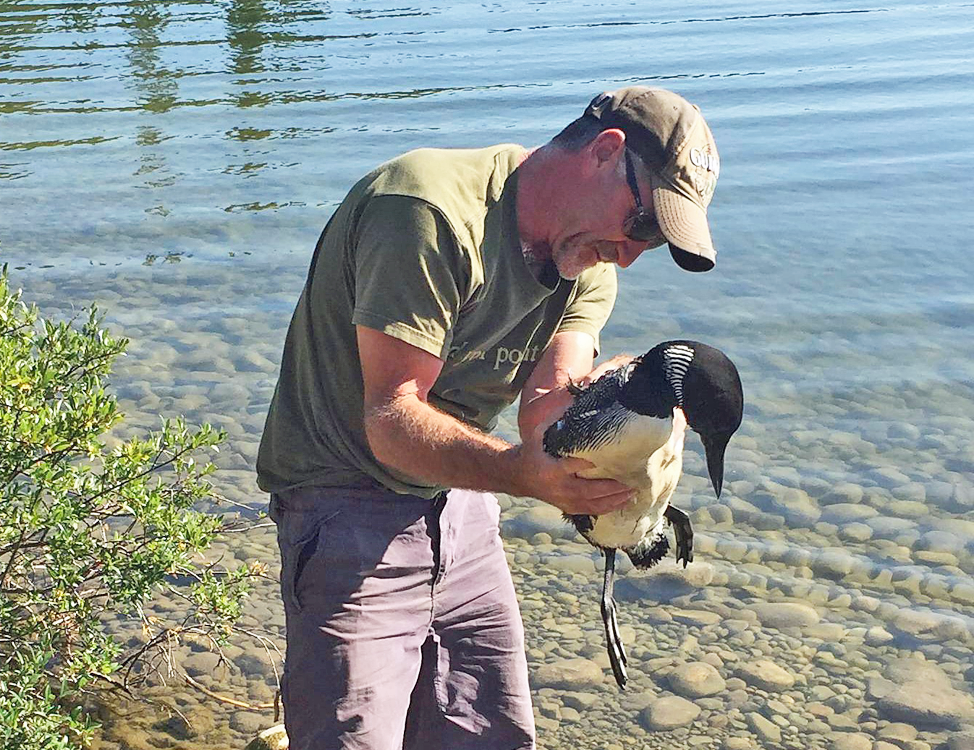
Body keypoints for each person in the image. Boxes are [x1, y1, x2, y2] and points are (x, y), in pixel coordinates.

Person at [256, 85, 722, 750]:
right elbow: (391, 419)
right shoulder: (427, 211)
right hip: (342, 509)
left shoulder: (586, 260)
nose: (630, 254)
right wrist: (520, 474)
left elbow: (547, 412)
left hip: (462, 503)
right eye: (644, 224)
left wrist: (621, 402)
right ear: (604, 152)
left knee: (490, 731)